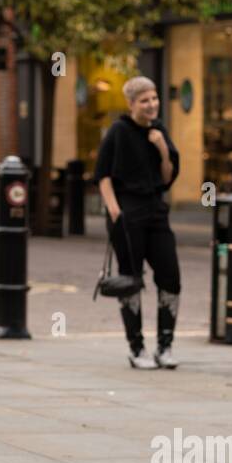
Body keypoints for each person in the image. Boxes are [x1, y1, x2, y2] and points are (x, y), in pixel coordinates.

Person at [94, 76, 182, 369]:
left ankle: (165, 346)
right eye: (144, 100)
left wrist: (162, 148)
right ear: (131, 104)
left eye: (154, 98)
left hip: (156, 209)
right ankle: (137, 348)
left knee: (170, 275)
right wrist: (114, 209)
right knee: (131, 278)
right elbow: (103, 174)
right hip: (127, 212)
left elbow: (168, 177)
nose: (152, 105)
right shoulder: (118, 131)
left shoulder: (160, 131)